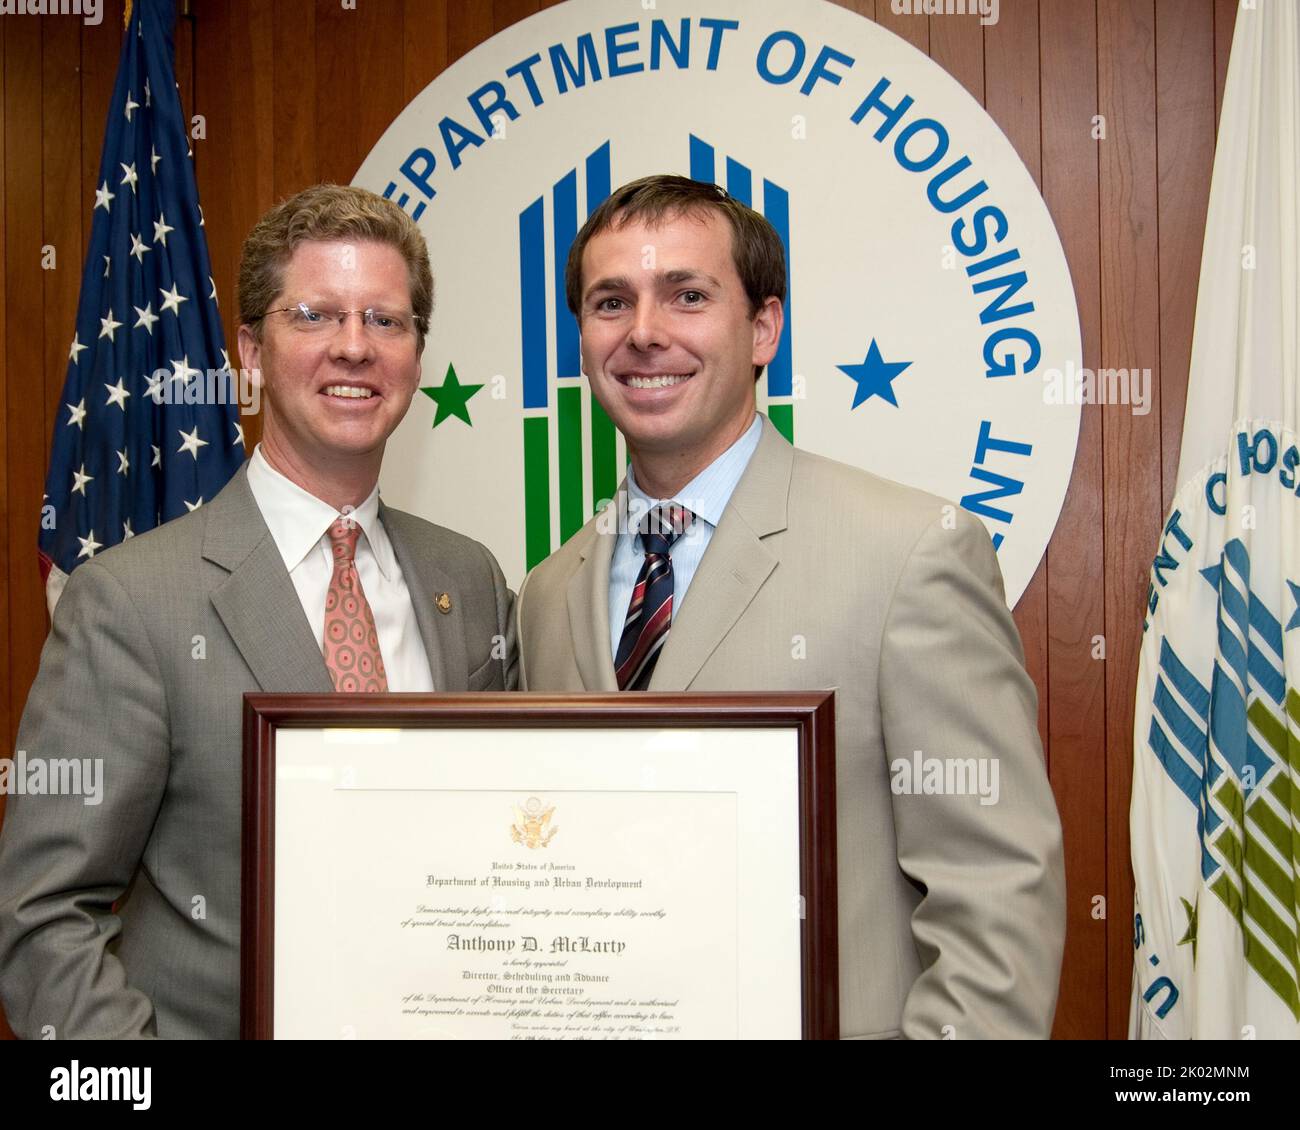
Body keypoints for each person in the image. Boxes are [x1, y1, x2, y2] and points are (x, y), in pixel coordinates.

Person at [515, 174, 1066, 1039]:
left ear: (763, 328)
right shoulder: (548, 596)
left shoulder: (909, 553)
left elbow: (998, 897)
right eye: (610, 302)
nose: (645, 333)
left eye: (687, 296)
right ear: (581, 338)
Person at [0, 184, 516, 1039]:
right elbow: (43, 915)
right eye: (314, 316)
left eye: (386, 321)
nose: (355, 348)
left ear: (418, 355)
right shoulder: (129, 603)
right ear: (249, 350)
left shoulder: (469, 579)